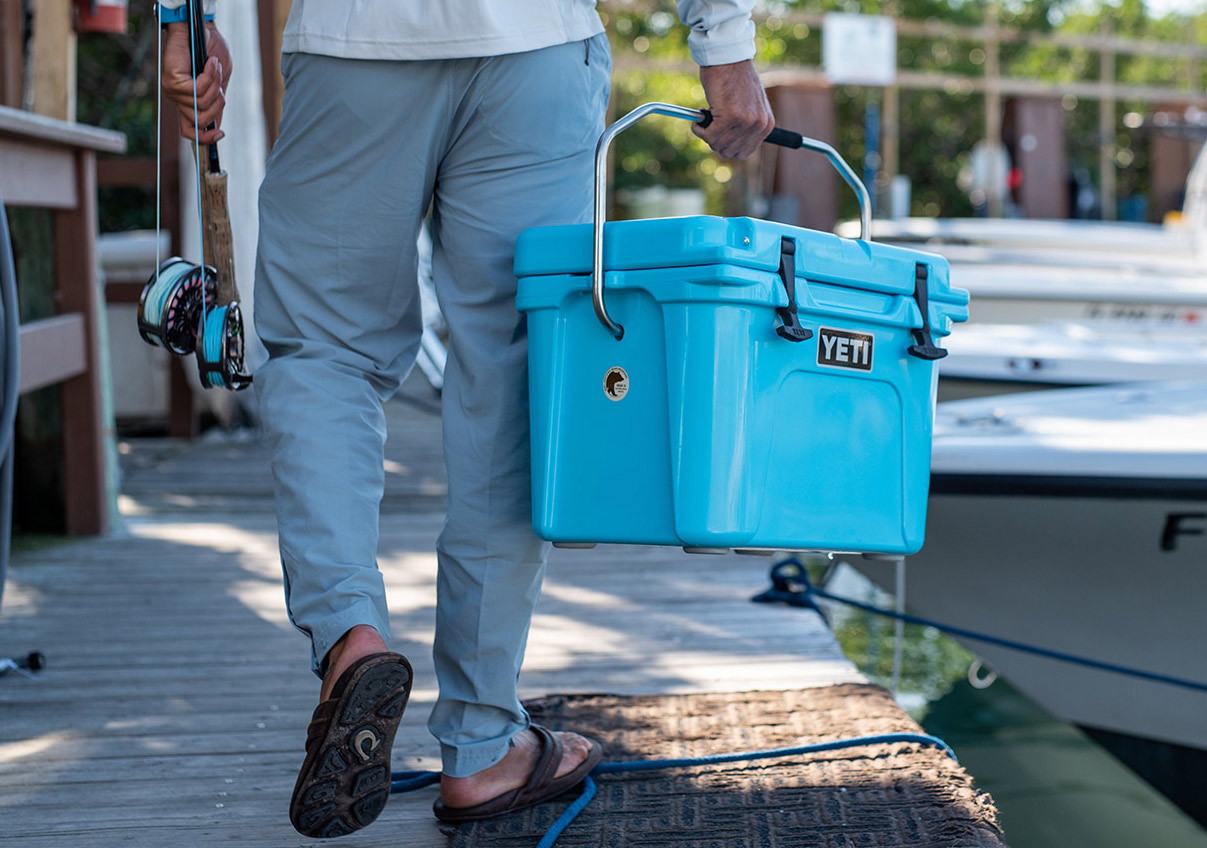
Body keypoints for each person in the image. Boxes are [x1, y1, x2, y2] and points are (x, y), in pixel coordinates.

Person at [160, 0, 774, 838]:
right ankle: (483, 743)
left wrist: (179, 18)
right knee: (517, 374)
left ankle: (350, 636)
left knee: (323, 353)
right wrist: (725, 45)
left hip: (353, 45)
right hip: (534, 47)